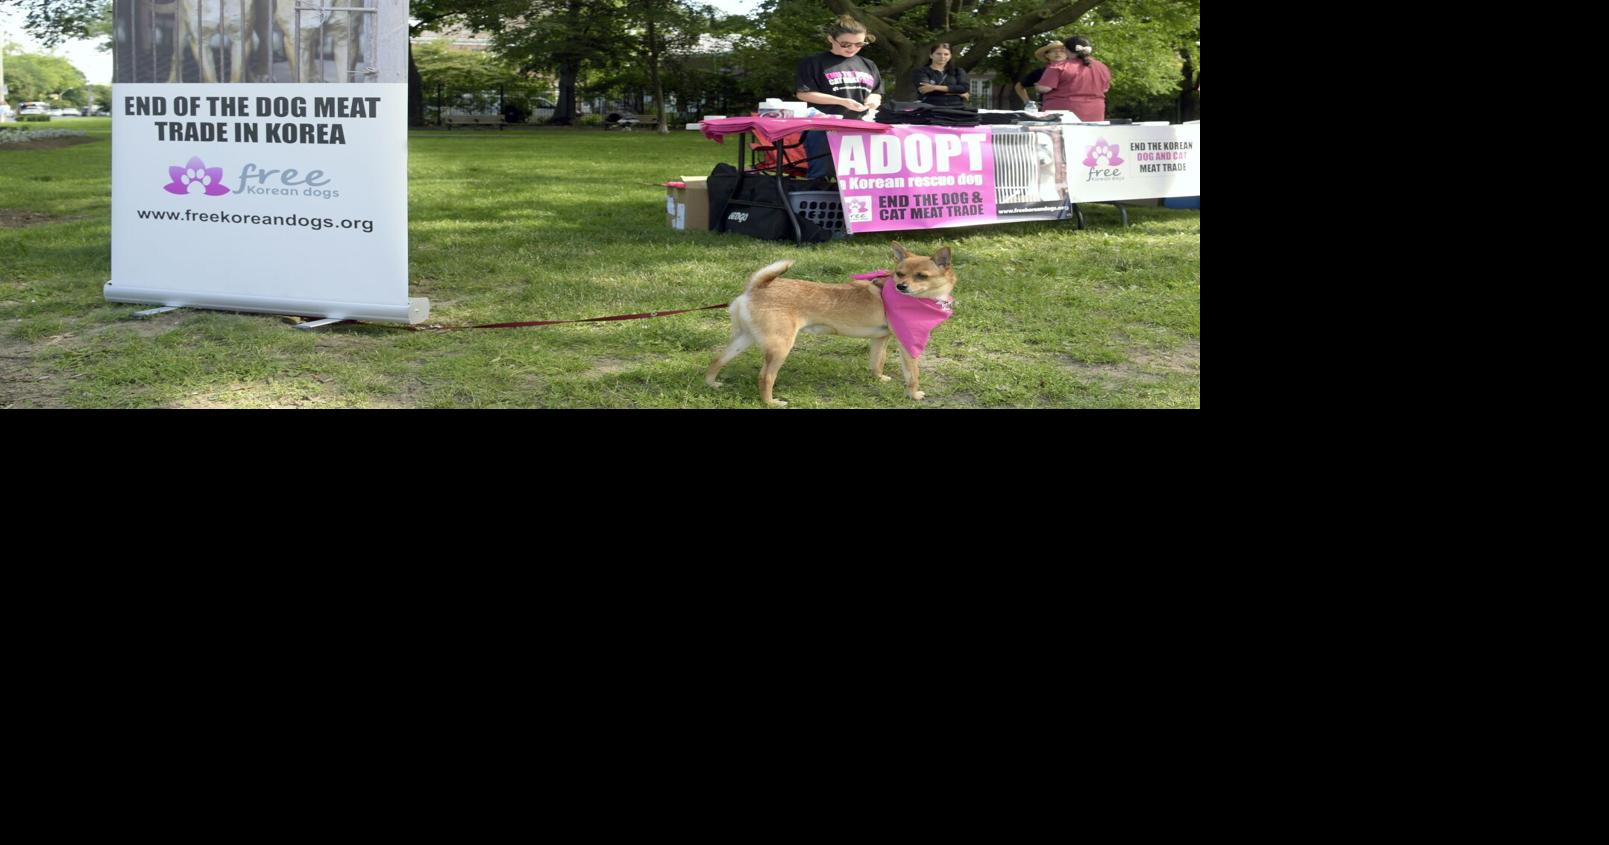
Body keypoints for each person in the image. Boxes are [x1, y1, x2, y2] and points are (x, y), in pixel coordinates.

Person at [795, 15, 884, 179]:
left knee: (861, 177)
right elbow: (803, 93)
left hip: (861, 127)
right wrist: (842, 101)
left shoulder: (868, 64)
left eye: (859, 44)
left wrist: (873, 100)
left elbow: (877, 92)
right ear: (831, 39)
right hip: (823, 129)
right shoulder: (813, 62)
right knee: (821, 175)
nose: (852, 48)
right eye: (846, 44)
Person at [1035, 35, 1112, 121]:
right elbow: (1105, 89)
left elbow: (1044, 88)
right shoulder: (1102, 67)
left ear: (1066, 50)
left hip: (1063, 113)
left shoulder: (1058, 66)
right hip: (1095, 112)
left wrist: (1037, 86)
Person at [913, 42, 970, 108]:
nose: (942, 56)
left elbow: (964, 88)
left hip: (956, 108)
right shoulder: (921, 71)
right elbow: (924, 90)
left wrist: (934, 87)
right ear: (931, 55)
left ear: (950, 56)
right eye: (938, 54)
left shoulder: (958, 71)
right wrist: (957, 92)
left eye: (946, 54)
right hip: (930, 108)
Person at [1015, 42, 1068, 108]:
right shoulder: (1040, 72)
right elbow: (1019, 86)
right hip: (1048, 109)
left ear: (1067, 54)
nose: (1058, 53)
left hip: (1072, 107)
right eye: (1053, 51)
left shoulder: (1076, 69)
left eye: (1062, 51)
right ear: (1046, 55)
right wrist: (1028, 102)